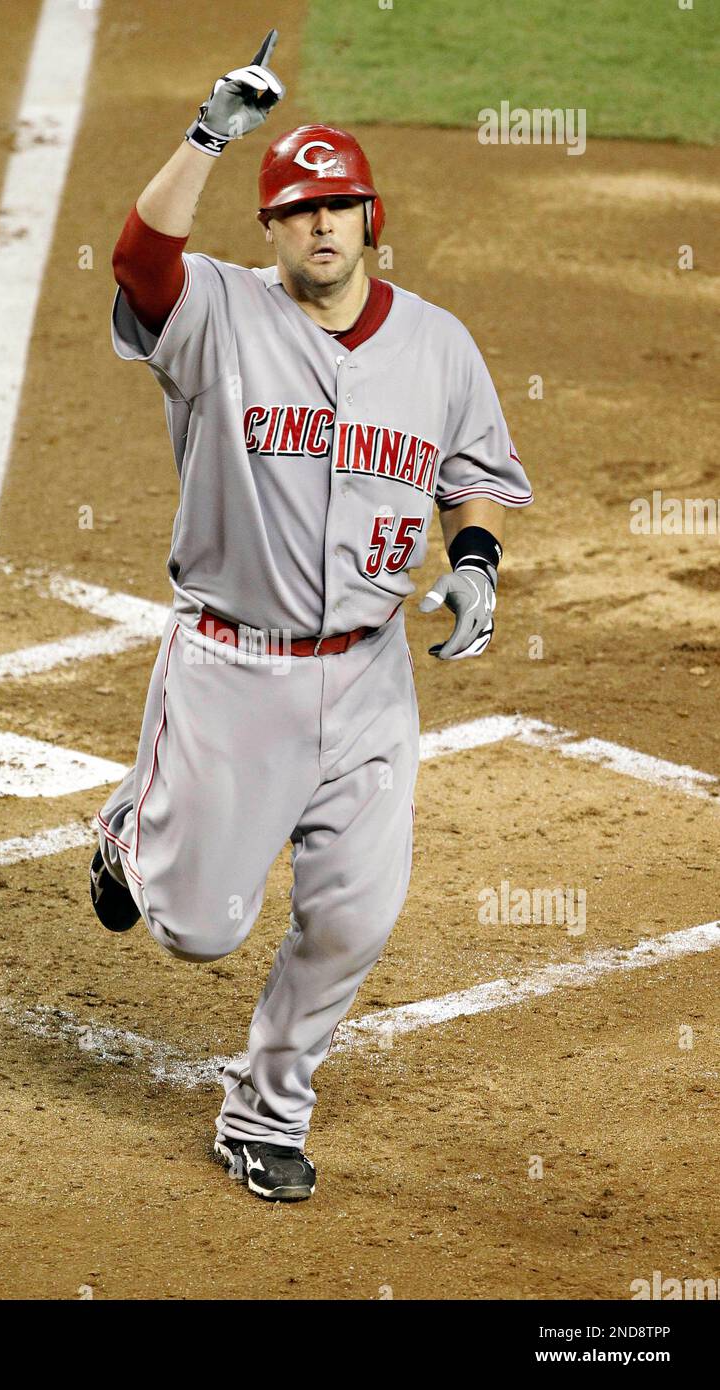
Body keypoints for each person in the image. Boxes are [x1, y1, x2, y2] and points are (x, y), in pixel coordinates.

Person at [90, 31, 533, 1202]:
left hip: (374, 680)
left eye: (340, 205)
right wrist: (206, 134)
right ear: (271, 229)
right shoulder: (218, 315)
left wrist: (477, 560)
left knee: (355, 918)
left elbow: (472, 471)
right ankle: (134, 828)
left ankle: (265, 1114)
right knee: (193, 931)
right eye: (297, 208)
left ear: (371, 219)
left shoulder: (436, 344)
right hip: (235, 671)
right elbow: (140, 261)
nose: (323, 225)